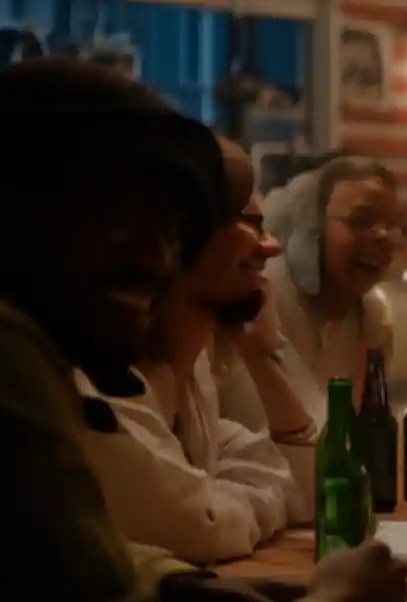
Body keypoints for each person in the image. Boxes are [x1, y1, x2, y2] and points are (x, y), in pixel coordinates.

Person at [0, 60, 407, 602]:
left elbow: (76, 562)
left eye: (171, 226)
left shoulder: (67, 355)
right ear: (1, 209)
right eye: (118, 212)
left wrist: (188, 591)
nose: (156, 253)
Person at [79, 137, 318, 564]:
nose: (269, 247)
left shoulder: (195, 370)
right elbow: (197, 528)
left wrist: (261, 356)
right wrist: (246, 502)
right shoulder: (97, 376)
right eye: (245, 223)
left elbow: (311, 484)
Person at [221, 156, 407, 430]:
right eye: (361, 220)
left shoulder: (374, 318)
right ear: (313, 225)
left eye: (393, 225)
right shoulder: (263, 294)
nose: (382, 236)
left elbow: (357, 431)